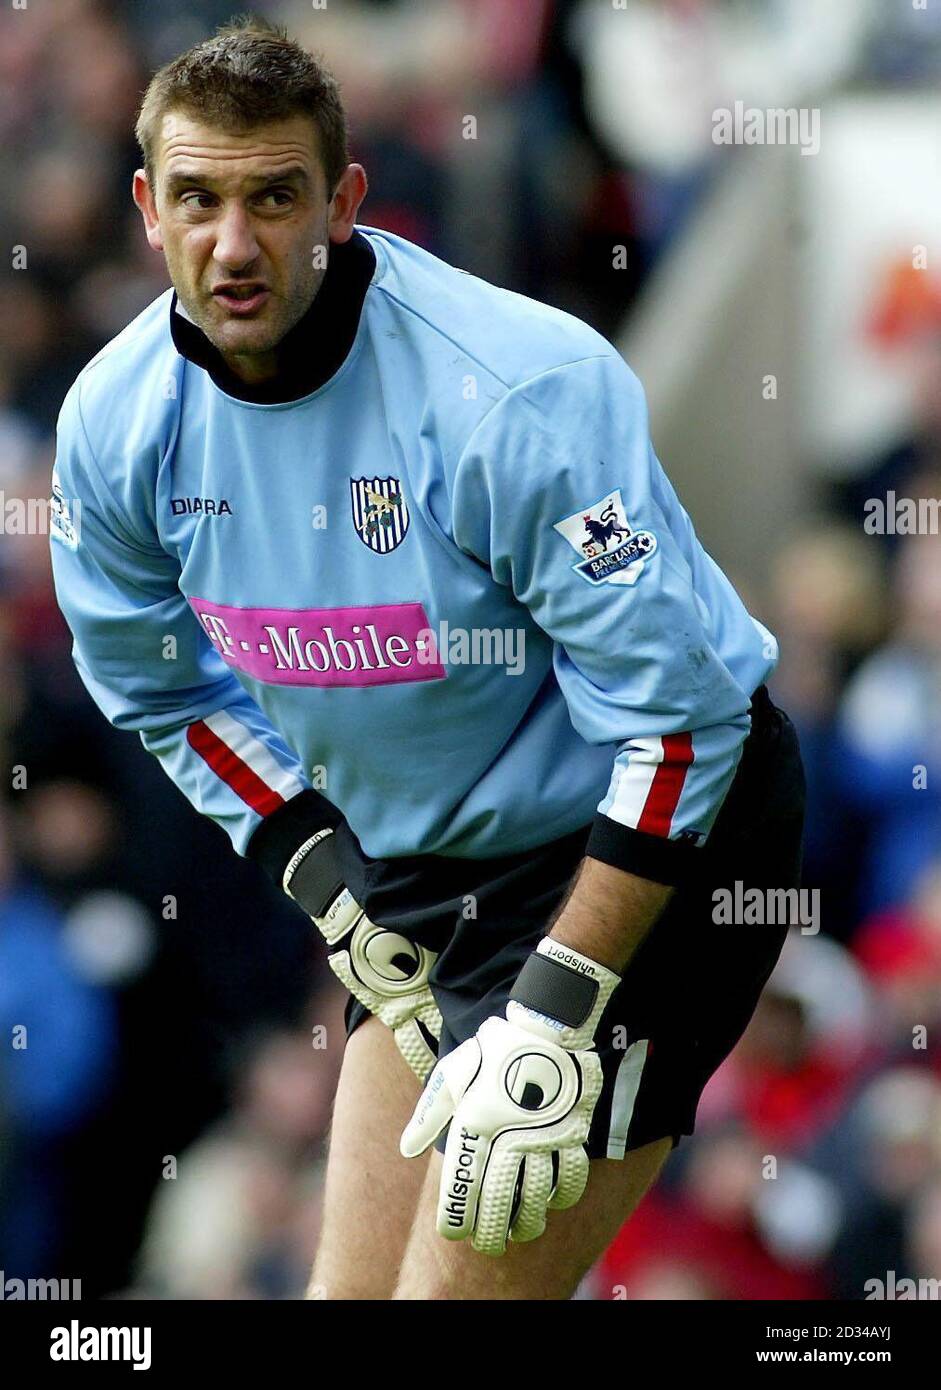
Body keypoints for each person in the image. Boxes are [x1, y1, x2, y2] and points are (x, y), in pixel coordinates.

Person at [49, 15, 805, 1300]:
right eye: (199, 200)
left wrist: (559, 997)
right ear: (146, 206)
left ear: (342, 200)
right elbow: (157, 684)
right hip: (418, 869)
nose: (234, 245)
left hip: (640, 843)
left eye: (275, 198)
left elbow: (681, 724)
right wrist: (330, 886)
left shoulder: (516, 392)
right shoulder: (115, 426)